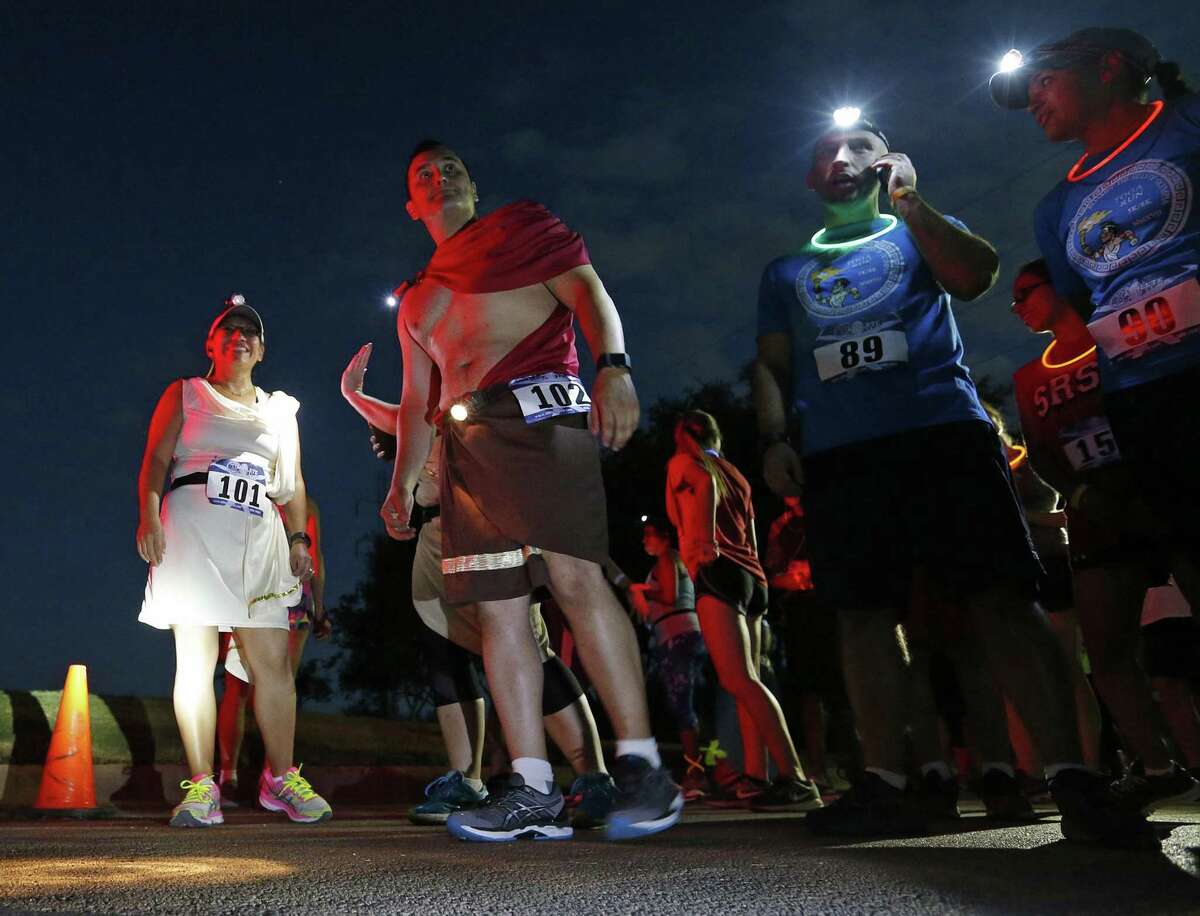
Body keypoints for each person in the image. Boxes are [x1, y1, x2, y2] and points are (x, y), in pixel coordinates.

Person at [753, 114, 1151, 845]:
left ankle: (1073, 777)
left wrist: (910, 201)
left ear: (887, 163)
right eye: (825, 153)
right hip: (843, 456)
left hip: (942, 433)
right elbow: (773, 365)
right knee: (864, 615)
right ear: (810, 179)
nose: (840, 159)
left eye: (859, 148)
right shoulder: (784, 272)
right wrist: (776, 436)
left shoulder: (919, 228)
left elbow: (974, 276)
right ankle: (888, 783)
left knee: (1000, 597)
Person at [380, 140, 681, 842]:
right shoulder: (417, 299)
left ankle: (641, 766)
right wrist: (402, 486)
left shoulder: (523, 228)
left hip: (539, 413)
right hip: (467, 446)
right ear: (411, 205)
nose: (438, 176)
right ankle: (533, 788)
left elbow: (589, 293)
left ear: (473, 187)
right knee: (499, 611)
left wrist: (614, 366)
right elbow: (414, 401)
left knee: (575, 578)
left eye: (451, 167)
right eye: (422, 174)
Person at [341, 339, 620, 834]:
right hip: (431, 536)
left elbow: (402, 416)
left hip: (483, 525)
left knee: (532, 649)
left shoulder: (474, 393)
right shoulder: (424, 402)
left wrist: (354, 395)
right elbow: (404, 419)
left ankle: (592, 775)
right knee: (443, 654)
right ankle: (466, 778)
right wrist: (356, 398)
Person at [991, 28, 1200, 607]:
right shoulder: (1055, 207)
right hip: (1140, 398)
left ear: (1108, 69)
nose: (1033, 99)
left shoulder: (1187, 126)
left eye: (1044, 81)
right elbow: (1082, 301)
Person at [1010, 260, 1200, 809]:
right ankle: (1157, 765)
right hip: (1096, 514)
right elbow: (1042, 451)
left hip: (1158, 494)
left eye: (1026, 293)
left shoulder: (1118, 340)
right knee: (1105, 649)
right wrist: (1077, 492)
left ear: (1059, 287)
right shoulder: (1029, 379)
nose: (1018, 306)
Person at [136, 295, 331, 827]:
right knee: (194, 663)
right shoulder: (186, 394)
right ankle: (203, 786)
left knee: (272, 665)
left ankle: (281, 778)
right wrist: (149, 518)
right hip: (193, 528)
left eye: (249, 332)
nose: (238, 337)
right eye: (229, 330)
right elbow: (155, 460)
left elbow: (291, 485)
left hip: (258, 539)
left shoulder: (280, 410)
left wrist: (298, 540)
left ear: (261, 349)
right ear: (212, 344)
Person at [665, 410, 822, 811]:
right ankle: (757, 776)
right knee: (749, 680)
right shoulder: (734, 473)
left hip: (717, 573)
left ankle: (796, 777)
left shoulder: (687, 464)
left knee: (740, 681)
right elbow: (750, 534)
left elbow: (697, 496)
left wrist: (699, 548)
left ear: (684, 435)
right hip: (751, 578)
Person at [217, 497, 332, 803]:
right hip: (260, 593)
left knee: (261, 684)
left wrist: (319, 608)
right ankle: (245, 775)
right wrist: (319, 608)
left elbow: (314, 557)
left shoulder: (304, 504)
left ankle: (268, 775)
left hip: (285, 597)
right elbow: (316, 558)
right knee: (256, 684)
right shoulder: (294, 502)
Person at [627, 517, 708, 801]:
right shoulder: (670, 560)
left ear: (665, 537)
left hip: (679, 636)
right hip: (680, 636)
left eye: (650, 534)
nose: (644, 540)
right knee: (686, 704)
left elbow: (671, 594)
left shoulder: (667, 558)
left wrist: (640, 589)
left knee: (682, 704)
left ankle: (696, 773)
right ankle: (701, 768)